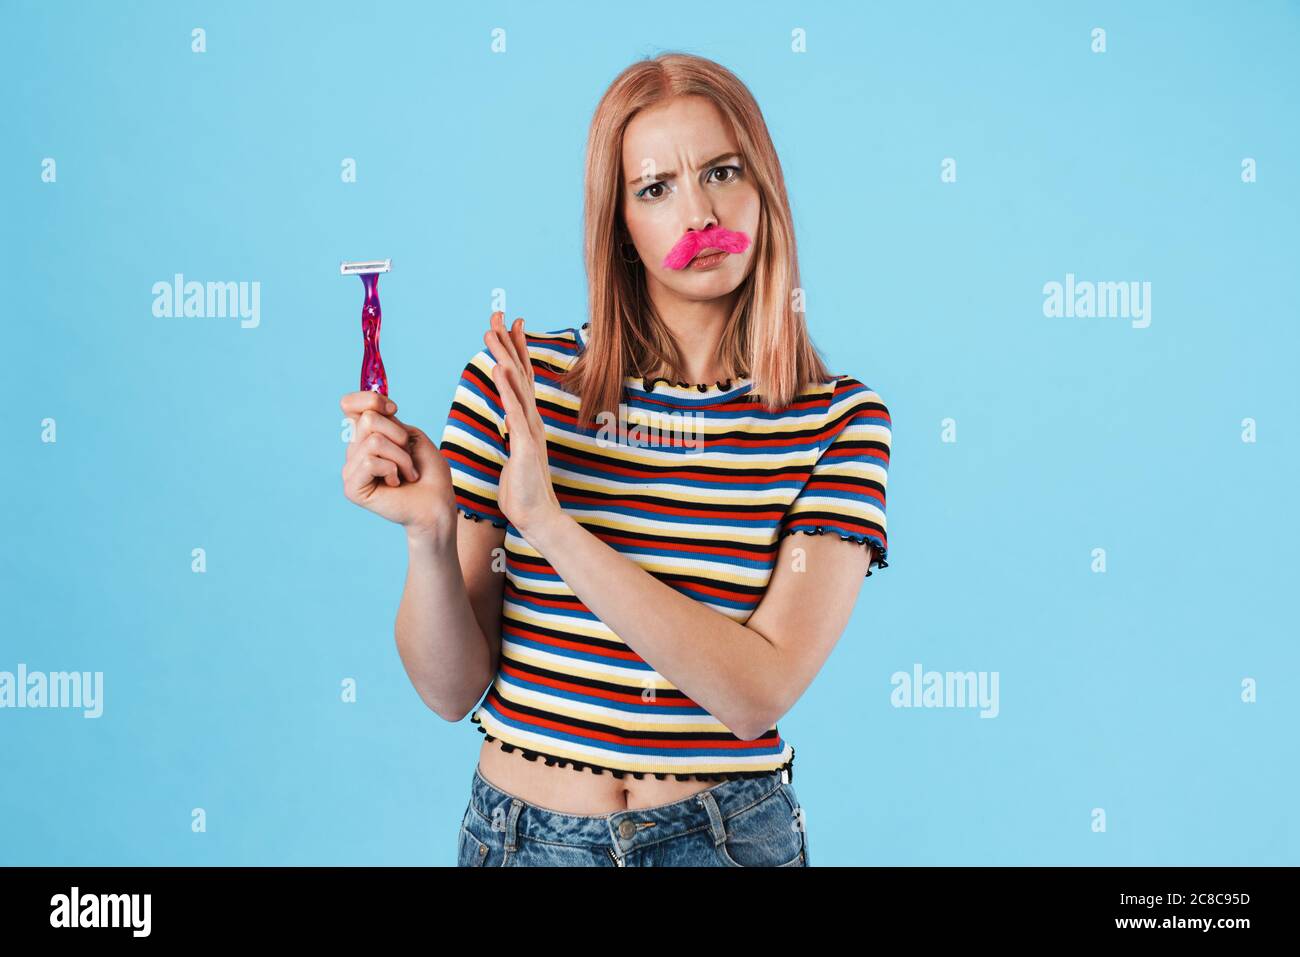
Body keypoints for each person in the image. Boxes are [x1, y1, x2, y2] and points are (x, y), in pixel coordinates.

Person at [339, 52, 891, 866]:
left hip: (725, 841)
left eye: (722, 171)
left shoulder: (838, 421)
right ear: (620, 226)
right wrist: (430, 531)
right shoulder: (519, 386)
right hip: (524, 838)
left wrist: (550, 526)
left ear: (764, 189)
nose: (699, 213)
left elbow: (754, 693)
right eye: (656, 188)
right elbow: (449, 692)